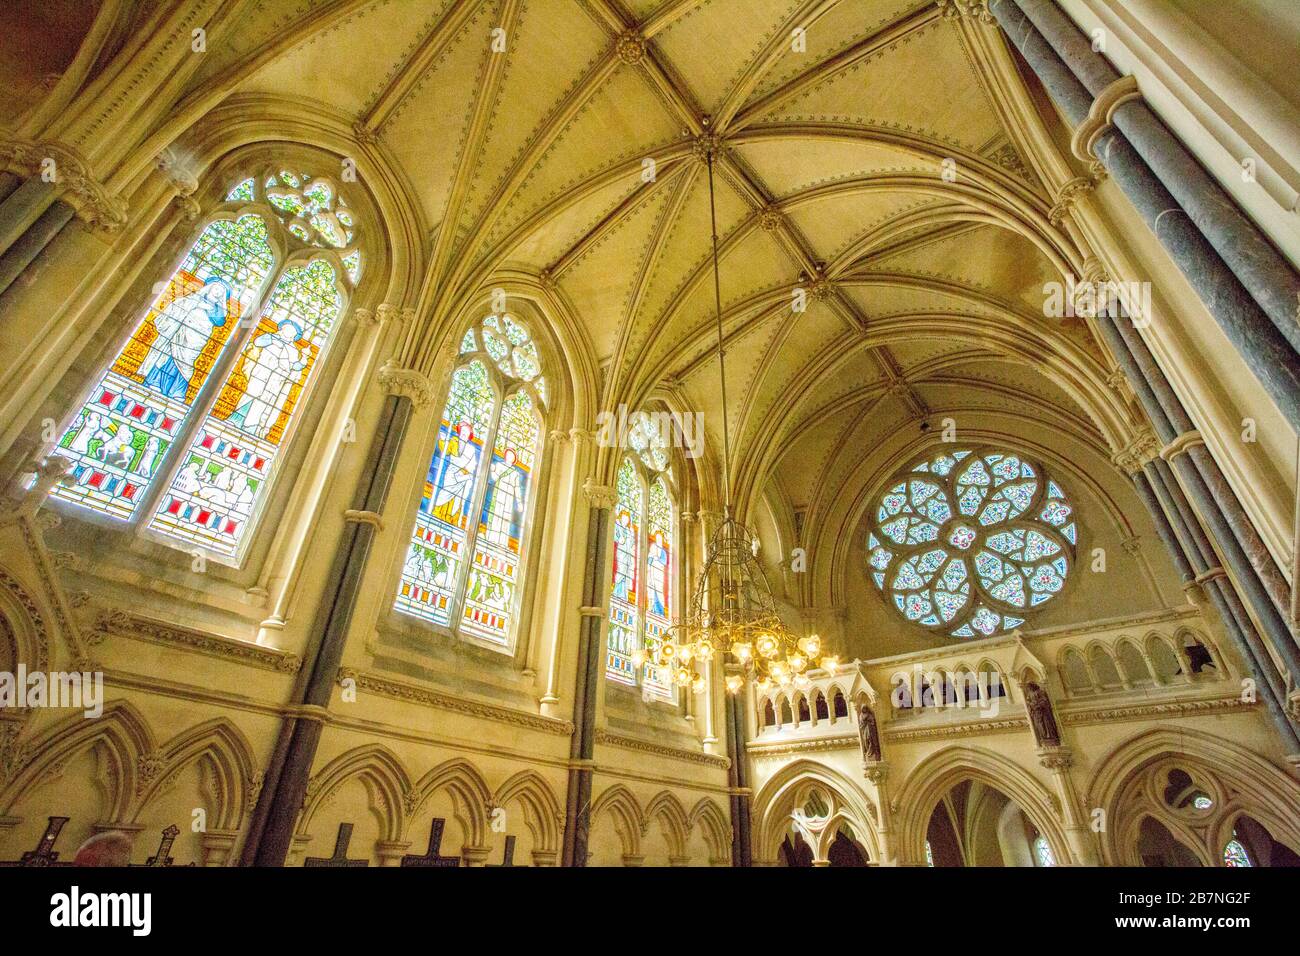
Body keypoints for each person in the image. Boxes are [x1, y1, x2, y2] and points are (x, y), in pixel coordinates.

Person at [138, 277, 231, 401]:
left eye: (221, 291)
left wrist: (210, 309)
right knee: (167, 354)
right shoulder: (195, 298)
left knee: (186, 361)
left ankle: (177, 392)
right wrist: (196, 305)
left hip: (197, 337)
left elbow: (220, 322)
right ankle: (154, 382)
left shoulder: (219, 310)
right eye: (216, 288)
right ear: (210, 288)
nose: (218, 292)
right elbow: (181, 304)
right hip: (180, 331)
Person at [232, 319, 307, 439]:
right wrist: (273, 340)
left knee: (263, 404)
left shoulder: (292, 350)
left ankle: (250, 428)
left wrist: (303, 359)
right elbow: (257, 342)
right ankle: (235, 419)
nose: (285, 331)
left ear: (293, 335)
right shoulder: (270, 337)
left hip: (276, 381)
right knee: (251, 394)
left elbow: (294, 366)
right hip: (261, 373)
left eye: (290, 331)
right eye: (285, 329)